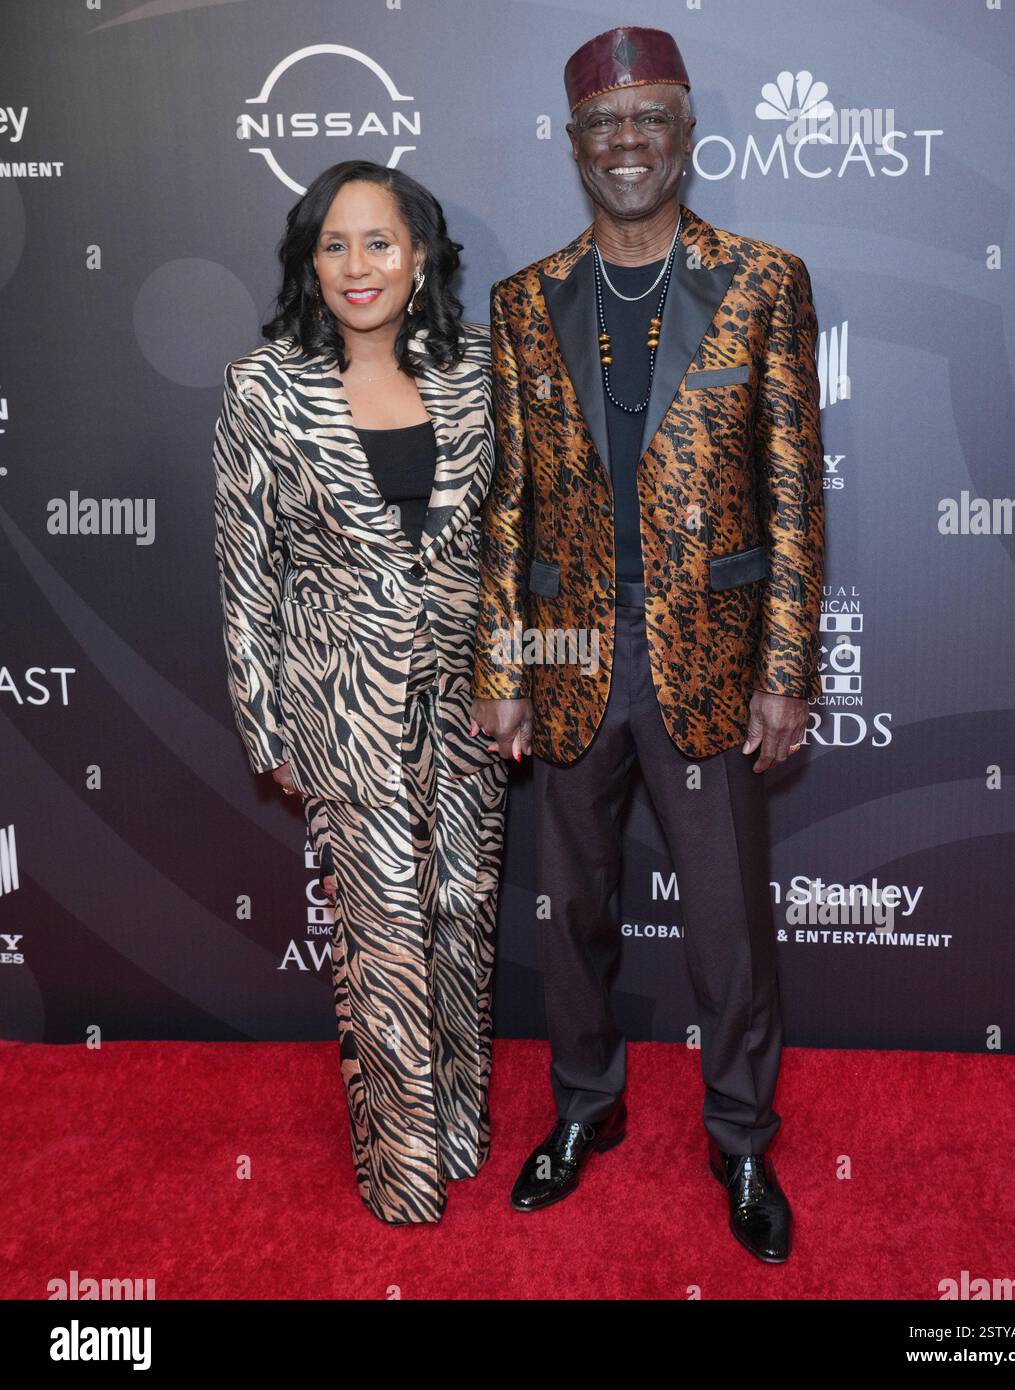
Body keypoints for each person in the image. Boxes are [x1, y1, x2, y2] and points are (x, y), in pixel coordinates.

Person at [469, 26, 824, 1262]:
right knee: (573, 912)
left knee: (726, 918)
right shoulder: (524, 302)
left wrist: (783, 669)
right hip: (567, 647)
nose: (626, 144)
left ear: (684, 135)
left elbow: (792, 491)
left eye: (649, 119)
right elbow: (507, 503)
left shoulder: (763, 281)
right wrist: (501, 672)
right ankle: (584, 1110)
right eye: (603, 126)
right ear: (574, 148)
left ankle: (738, 1139)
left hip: (711, 649)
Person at [212, 159, 508, 1224]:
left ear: (418, 255)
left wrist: (509, 674)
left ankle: (463, 1130)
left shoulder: (477, 371)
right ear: (309, 265)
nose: (357, 265)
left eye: (378, 242)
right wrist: (267, 725)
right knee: (384, 944)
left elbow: (504, 542)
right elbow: (246, 572)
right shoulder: (265, 387)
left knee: (461, 920)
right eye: (332, 246)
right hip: (340, 707)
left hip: (467, 706)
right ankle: (402, 1173)